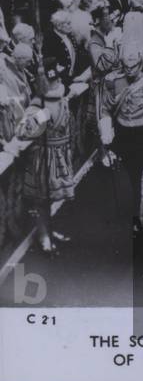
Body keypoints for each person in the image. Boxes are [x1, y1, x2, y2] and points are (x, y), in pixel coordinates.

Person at [99, 13, 143, 226]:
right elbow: (106, 109)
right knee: (127, 174)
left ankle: (139, 219)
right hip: (122, 132)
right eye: (126, 67)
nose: (129, 71)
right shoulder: (113, 81)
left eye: (134, 66)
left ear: (140, 63)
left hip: (142, 134)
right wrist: (107, 130)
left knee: (140, 176)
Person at [16, 58, 74, 252]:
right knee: (42, 200)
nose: (55, 84)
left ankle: (49, 229)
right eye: (51, 81)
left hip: (59, 155)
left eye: (56, 80)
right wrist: (40, 117)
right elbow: (22, 131)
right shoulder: (38, 104)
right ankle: (43, 235)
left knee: (52, 198)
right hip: (43, 158)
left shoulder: (61, 99)